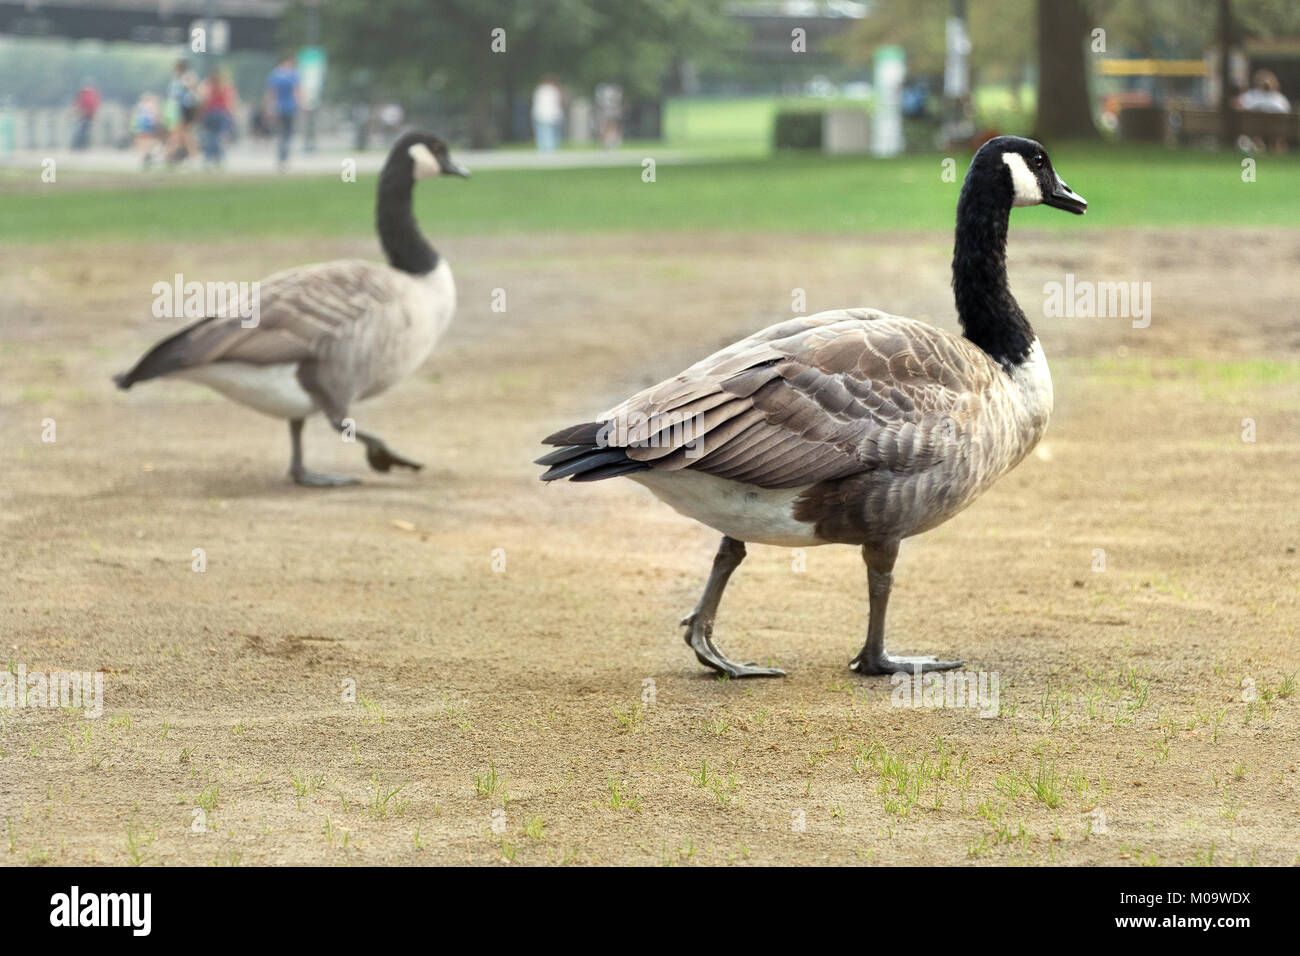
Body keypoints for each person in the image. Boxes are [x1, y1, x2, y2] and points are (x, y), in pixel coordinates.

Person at [1237, 69, 1292, 152]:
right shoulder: (1251, 95)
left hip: (1274, 129)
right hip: (1255, 128)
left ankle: (1273, 145)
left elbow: (1285, 111)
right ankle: (1258, 144)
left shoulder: (1278, 98)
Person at [264, 53, 300, 171]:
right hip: (290, 107)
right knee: (287, 134)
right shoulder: (293, 75)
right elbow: (296, 92)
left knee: (281, 134)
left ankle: (281, 157)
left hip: (278, 108)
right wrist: (300, 105)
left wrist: (269, 108)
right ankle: (284, 158)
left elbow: (271, 93)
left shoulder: (274, 74)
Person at [199, 68, 239, 167]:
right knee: (219, 137)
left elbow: (204, 100)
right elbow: (230, 101)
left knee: (211, 136)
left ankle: (209, 158)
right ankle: (219, 159)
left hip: (210, 113)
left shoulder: (208, 86)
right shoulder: (226, 86)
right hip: (222, 113)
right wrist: (232, 114)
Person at [164, 60, 200, 164]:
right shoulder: (178, 79)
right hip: (179, 108)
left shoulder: (186, 77)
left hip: (183, 108)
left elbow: (191, 90)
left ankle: (173, 154)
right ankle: (174, 154)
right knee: (180, 134)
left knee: (181, 133)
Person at [531, 74, 564, 153]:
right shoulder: (555, 90)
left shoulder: (539, 90)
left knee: (542, 133)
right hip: (553, 115)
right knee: (552, 133)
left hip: (541, 115)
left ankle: (543, 150)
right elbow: (559, 102)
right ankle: (550, 150)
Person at [71, 78, 100, 151]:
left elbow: (78, 103)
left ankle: (80, 145)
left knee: (82, 130)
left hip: (84, 114)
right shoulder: (92, 93)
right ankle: (80, 145)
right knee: (83, 130)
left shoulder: (83, 93)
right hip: (87, 115)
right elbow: (95, 104)